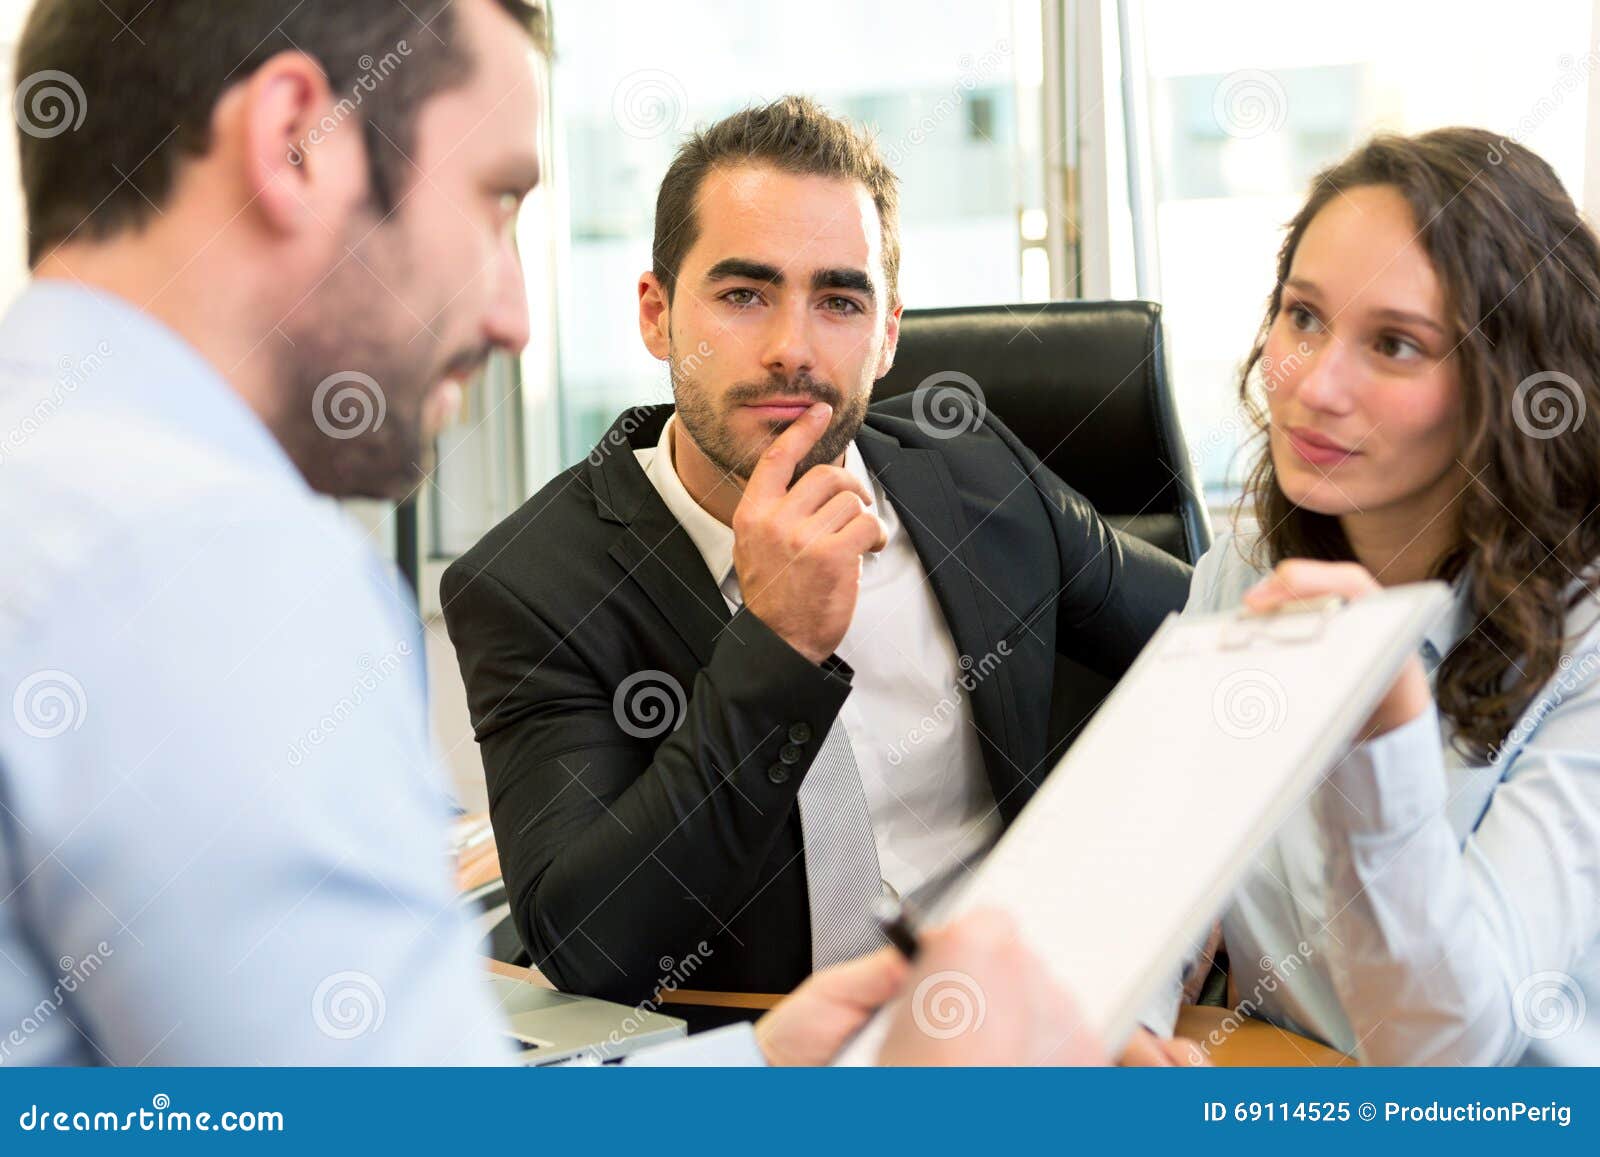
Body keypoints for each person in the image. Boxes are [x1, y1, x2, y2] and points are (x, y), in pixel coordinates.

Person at [0, 0, 1109, 1067]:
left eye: (838, 299)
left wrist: (768, 1065)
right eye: (494, 202)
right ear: (296, 141)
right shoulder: (198, 563)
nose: (511, 315)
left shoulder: (72, 496)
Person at [441, 96, 1194, 1012]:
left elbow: (1217, 643)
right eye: (744, 294)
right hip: (759, 1064)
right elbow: (594, 949)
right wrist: (778, 645)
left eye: (839, 300)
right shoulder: (531, 584)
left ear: (886, 335)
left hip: (1022, 1034)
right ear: (656, 314)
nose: (792, 348)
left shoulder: (978, 471)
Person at [1169, 127, 1599, 1065]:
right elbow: (1158, 861)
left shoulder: (1589, 652)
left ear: (1510, 382)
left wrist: (1385, 734)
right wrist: (1126, 1010)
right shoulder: (1246, 571)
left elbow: (1448, 1050)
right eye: (1304, 317)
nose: (1314, 385)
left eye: (1395, 344)